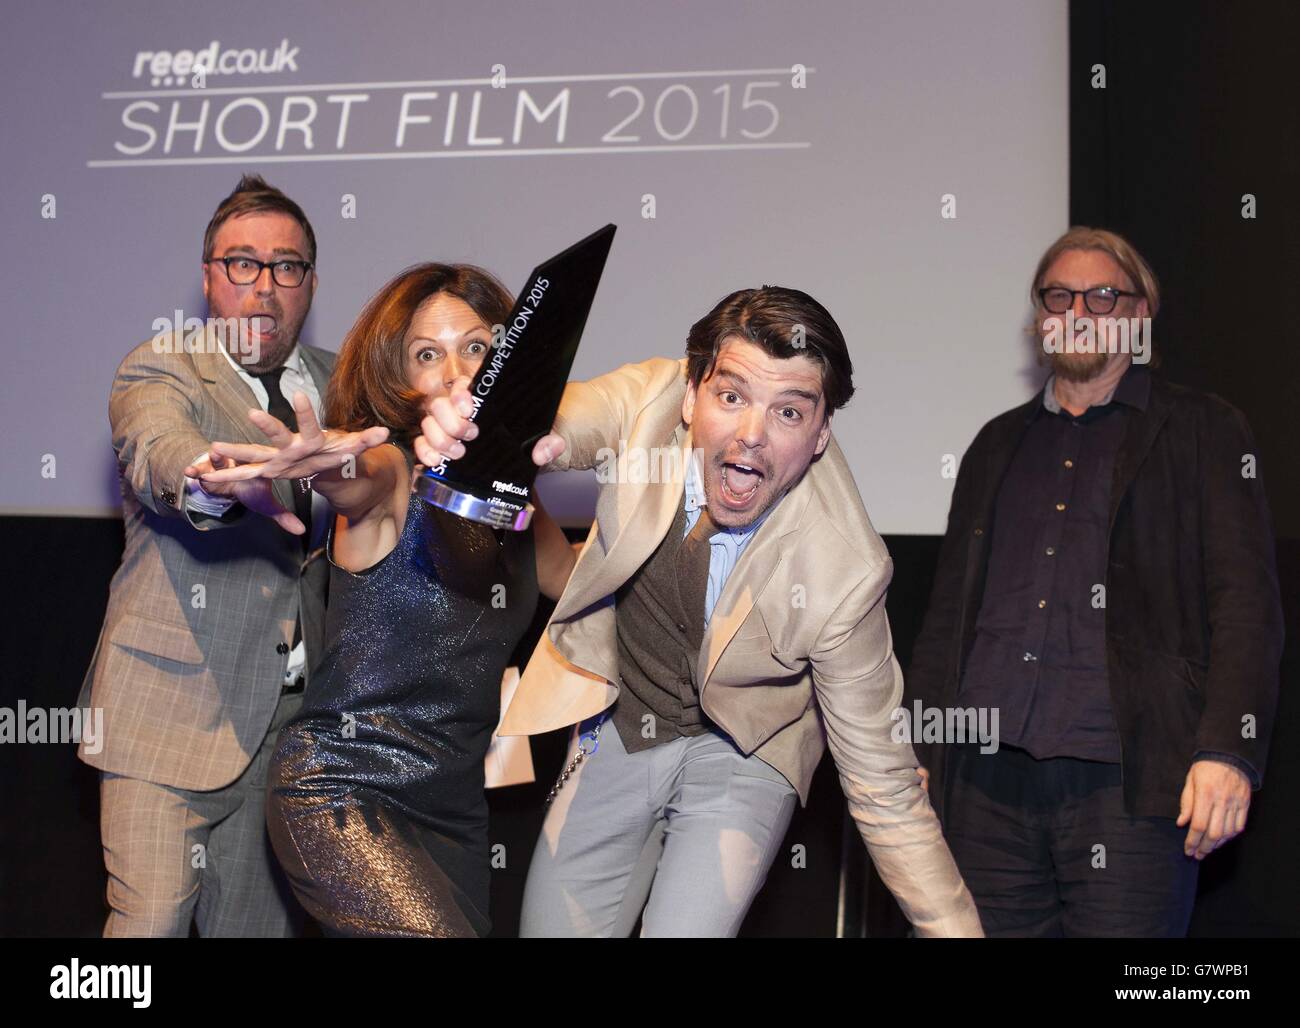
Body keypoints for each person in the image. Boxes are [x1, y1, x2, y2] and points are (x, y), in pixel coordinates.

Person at [419, 286, 983, 937]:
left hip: (746, 746)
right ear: (691, 395)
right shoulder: (648, 405)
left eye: (790, 413)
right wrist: (491, 432)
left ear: (822, 435)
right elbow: (559, 417)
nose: (751, 435)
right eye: (732, 396)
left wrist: (956, 931)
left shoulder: (845, 572)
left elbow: (883, 784)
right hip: (627, 716)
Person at [904, 227, 1284, 937]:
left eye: (1103, 295)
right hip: (983, 787)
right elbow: (949, 615)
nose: (1079, 309)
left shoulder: (1204, 431)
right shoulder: (994, 444)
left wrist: (1228, 752)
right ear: (1039, 317)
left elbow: (1247, 608)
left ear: (1140, 314)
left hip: (1133, 786)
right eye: (1060, 295)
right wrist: (919, 748)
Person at [201, 263, 577, 937]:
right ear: (397, 379)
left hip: (455, 812)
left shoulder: (519, 504)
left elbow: (582, 582)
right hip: (344, 790)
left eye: (476, 347)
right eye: (427, 355)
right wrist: (322, 461)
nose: (457, 373)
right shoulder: (395, 471)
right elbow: (353, 474)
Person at [76, 175, 357, 935]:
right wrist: (222, 488)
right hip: (166, 715)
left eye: (287, 267)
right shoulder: (161, 368)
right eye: (242, 264)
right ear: (208, 278)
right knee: (148, 930)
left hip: (291, 726)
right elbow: (158, 450)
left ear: (309, 283)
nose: (264, 287)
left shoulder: (342, 385)